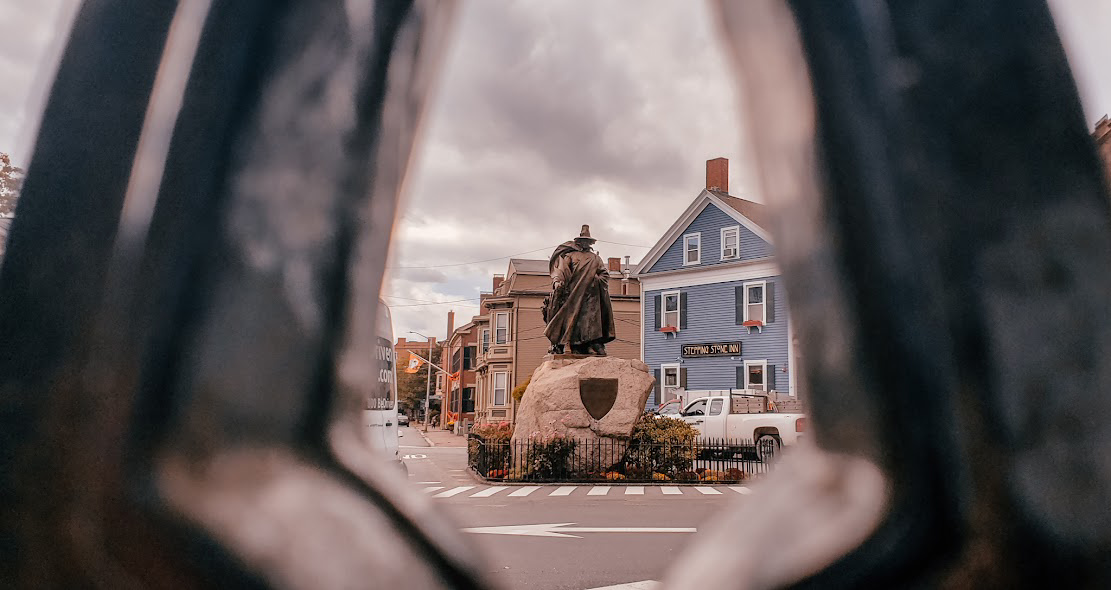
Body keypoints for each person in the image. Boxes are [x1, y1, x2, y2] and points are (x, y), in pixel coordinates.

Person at [543, 225, 616, 355]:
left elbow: (604, 274)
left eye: (588, 241)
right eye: (583, 241)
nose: (585, 243)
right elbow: (561, 271)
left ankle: (591, 343)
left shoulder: (595, 258)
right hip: (574, 293)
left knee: (591, 321)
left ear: (590, 243)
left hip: (592, 296)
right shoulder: (570, 256)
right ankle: (575, 344)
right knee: (574, 319)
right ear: (579, 242)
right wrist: (557, 282)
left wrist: (595, 280)